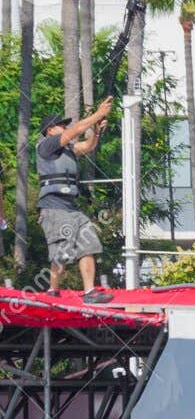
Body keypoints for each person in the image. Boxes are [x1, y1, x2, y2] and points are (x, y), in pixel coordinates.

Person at [35, 98, 115, 303]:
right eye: (62, 125)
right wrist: (97, 114)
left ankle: (89, 292)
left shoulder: (68, 149)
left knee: (88, 242)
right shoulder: (46, 146)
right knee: (61, 250)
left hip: (71, 207)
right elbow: (77, 129)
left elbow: (88, 145)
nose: (65, 128)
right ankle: (53, 290)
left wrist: (97, 130)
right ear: (50, 130)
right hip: (53, 208)